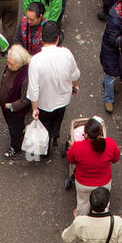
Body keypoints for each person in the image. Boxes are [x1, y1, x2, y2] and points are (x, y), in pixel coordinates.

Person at [26, 21, 80, 151]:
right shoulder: (67, 54)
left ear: (42, 38)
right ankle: (54, 137)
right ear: (58, 38)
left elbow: (33, 88)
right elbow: (75, 74)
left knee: (44, 124)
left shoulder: (36, 60)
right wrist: (75, 86)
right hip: (62, 100)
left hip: (44, 103)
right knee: (58, 119)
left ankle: (45, 146)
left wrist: (34, 108)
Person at [67, 118, 121, 216]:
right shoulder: (110, 143)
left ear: (86, 135)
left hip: (83, 184)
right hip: (104, 184)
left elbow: (71, 160)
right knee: (103, 205)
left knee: (83, 203)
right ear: (101, 133)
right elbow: (115, 159)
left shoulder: (77, 147)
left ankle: (81, 219)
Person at [0, 44, 34, 158]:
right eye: (8, 61)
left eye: (11, 64)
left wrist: (11, 106)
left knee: (15, 130)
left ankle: (15, 146)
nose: (8, 65)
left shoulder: (25, 78)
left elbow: (25, 99)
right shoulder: (12, 67)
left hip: (15, 111)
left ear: (20, 63)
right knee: (11, 126)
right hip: (5, 105)